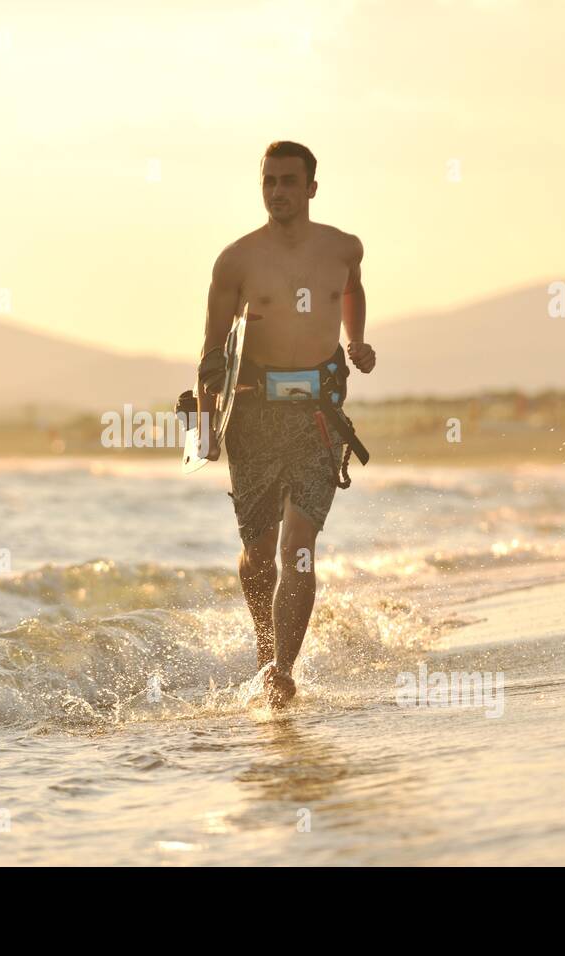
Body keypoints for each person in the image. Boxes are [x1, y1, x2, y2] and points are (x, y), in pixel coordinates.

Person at [196, 141, 376, 707]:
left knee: (299, 545)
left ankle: (280, 670)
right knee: (257, 552)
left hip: (317, 415)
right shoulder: (236, 261)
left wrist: (356, 341)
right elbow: (210, 355)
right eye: (269, 181)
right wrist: (204, 421)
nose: (278, 191)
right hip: (253, 417)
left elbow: (349, 289)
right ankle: (264, 642)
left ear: (311, 188)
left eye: (289, 181)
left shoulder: (343, 248)